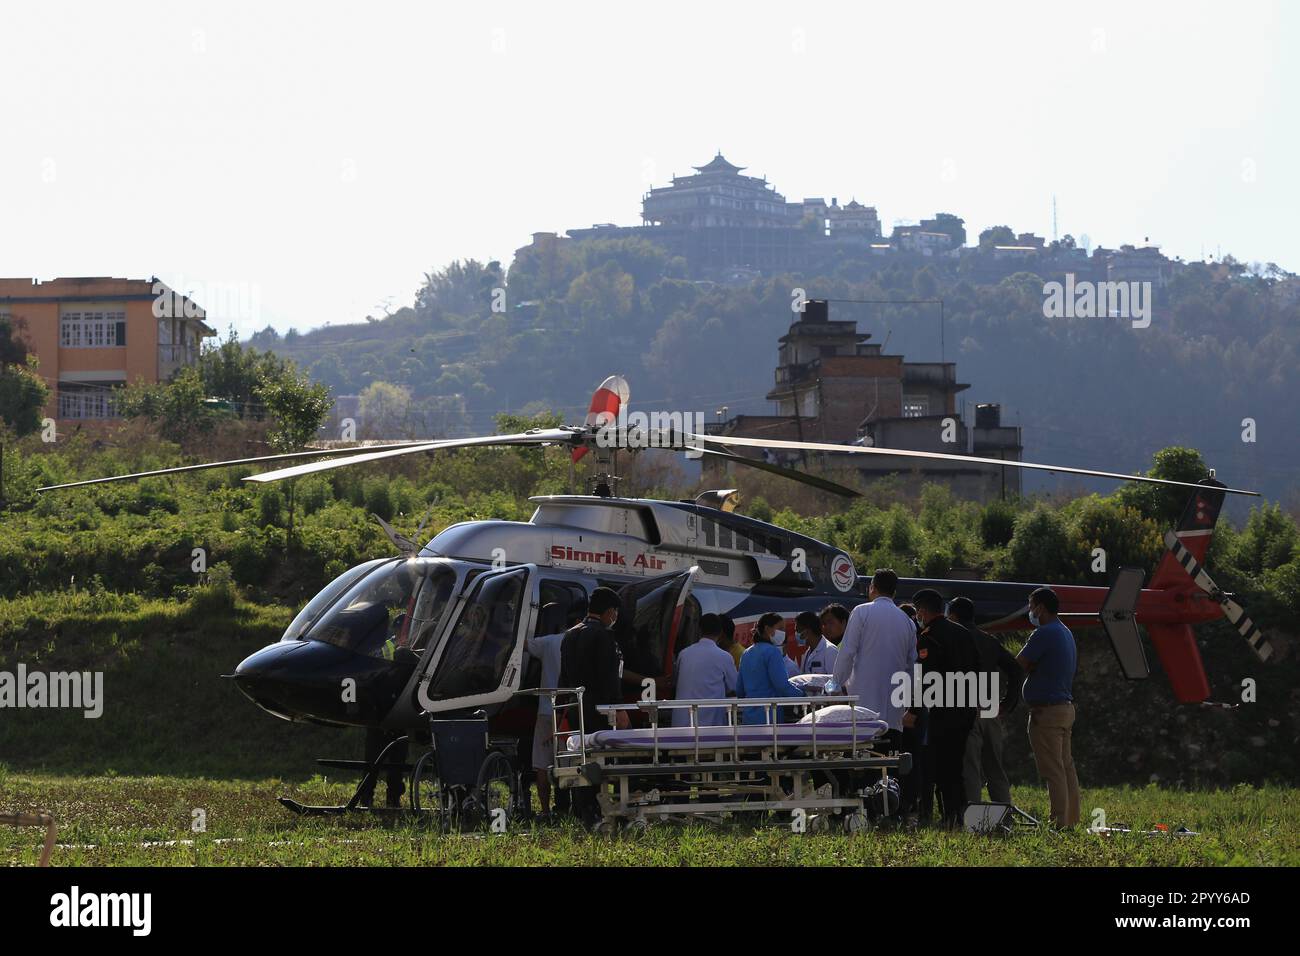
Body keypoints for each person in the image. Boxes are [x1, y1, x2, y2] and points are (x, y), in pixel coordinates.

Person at [558, 587, 628, 826]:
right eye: (615, 612)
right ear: (610, 612)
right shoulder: (604, 637)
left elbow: (563, 678)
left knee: (582, 759)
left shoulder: (569, 635)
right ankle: (602, 810)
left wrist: (560, 713)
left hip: (576, 708)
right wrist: (619, 709)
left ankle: (584, 811)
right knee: (602, 759)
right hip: (599, 709)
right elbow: (609, 677)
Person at [911, 588, 980, 828]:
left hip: (941, 713)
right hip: (965, 710)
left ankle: (946, 817)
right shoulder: (964, 633)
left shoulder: (928, 637)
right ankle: (958, 816)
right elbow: (978, 670)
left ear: (922, 611)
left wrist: (914, 710)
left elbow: (924, 679)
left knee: (937, 767)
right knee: (956, 765)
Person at [946, 596, 1021, 806]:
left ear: (952, 616)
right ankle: (1005, 814)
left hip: (965, 710)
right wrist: (1006, 704)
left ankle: (973, 817)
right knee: (995, 767)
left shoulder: (953, 639)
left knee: (970, 768)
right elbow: (1015, 669)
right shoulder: (989, 640)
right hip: (990, 709)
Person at [1017, 586, 1081, 828]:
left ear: (1041, 607)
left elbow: (1020, 663)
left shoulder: (1044, 633)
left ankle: (1058, 823)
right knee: (1066, 767)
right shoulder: (1065, 632)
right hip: (1064, 708)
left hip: (1047, 712)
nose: (1030, 611)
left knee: (1052, 770)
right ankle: (1071, 820)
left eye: (1032, 606)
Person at [828, 570, 917, 743]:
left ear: (872, 588)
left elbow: (847, 652)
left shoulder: (861, 612)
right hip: (894, 712)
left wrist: (835, 685)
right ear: (894, 592)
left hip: (862, 711)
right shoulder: (907, 622)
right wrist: (909, 703)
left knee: (862, 764)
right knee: (889, 763)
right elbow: (911, 667)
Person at [525, 598, 586, 820]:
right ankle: (572, 809)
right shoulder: (580, 643)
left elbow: (522, 644)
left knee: (542, 762)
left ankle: (544, 810)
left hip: (544, 710)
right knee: (570, 761)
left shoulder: (548, 642)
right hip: (569, 711)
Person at [671, 613, 738, 726]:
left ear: (699, 630)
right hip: (710, 726)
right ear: (720, 633)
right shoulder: (724, 657)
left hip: (681, 723)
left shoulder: (684, 654)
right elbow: (735, 686)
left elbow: (676, 682)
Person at [735, 612, 803, 724]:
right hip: (769, 718)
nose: (784, 633)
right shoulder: (773, 652)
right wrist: (803, 695)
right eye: (780, 628)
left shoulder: (746, 653)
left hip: (748, 719)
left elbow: (740, 691)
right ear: (767, 629)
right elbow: (782, 685)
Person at [795, 611, 839, 675]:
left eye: (797, 631)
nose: (796, 635)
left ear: (807, 631)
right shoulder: (807, 653)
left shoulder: (830, 651)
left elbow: (835, 681)